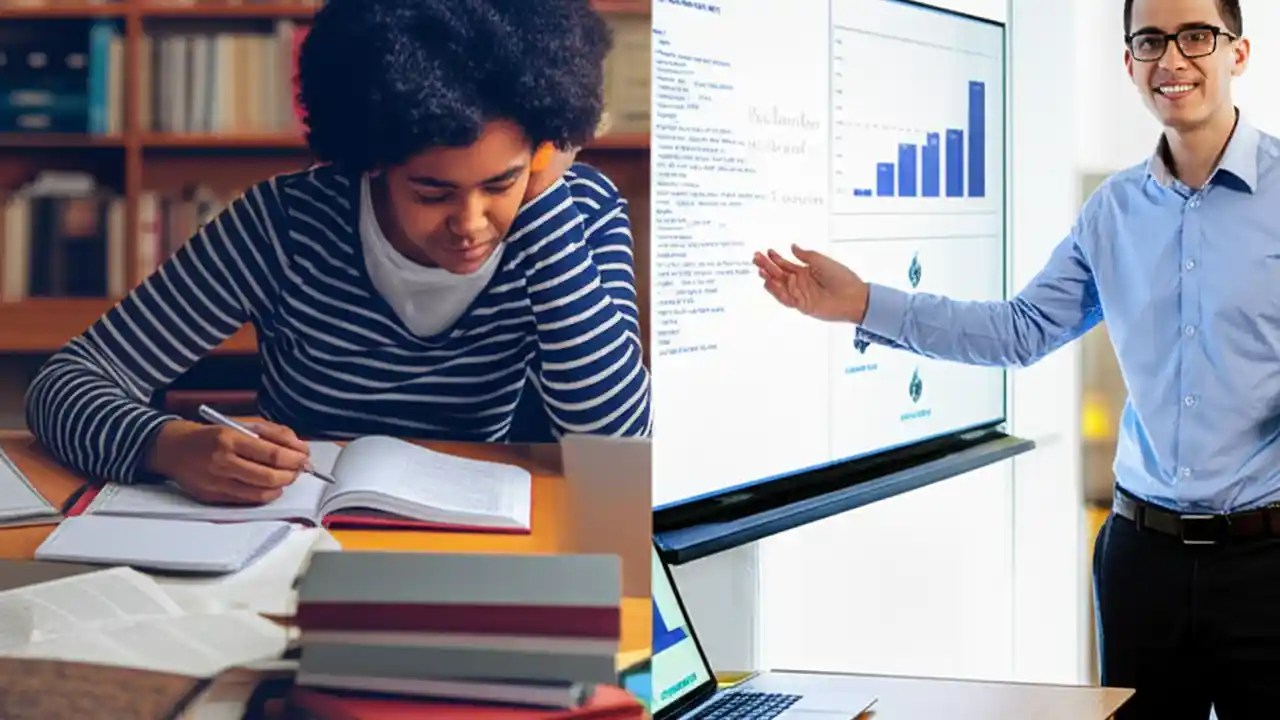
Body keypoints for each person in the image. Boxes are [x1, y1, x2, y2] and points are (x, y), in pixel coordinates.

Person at [754, 0, 1279, 717]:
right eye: (1150, 40)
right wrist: (863, 304)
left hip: (1267, 562)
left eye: (1196, 36)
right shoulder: (1113, 211)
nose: (1173, 59)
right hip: (1142, 561)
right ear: (1130, 63)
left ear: (1237, 53)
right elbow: (1020, 329)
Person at [24, 0, 650, 507]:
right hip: (293, 541)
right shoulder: (287, 221)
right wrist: (168, 445)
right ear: (372, 157)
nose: (470, 223)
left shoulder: (576, 213)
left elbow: (617, 444)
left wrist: (539, 201)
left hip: (489, 550)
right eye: (433, 191)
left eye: (500, 183)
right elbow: (63, 386)